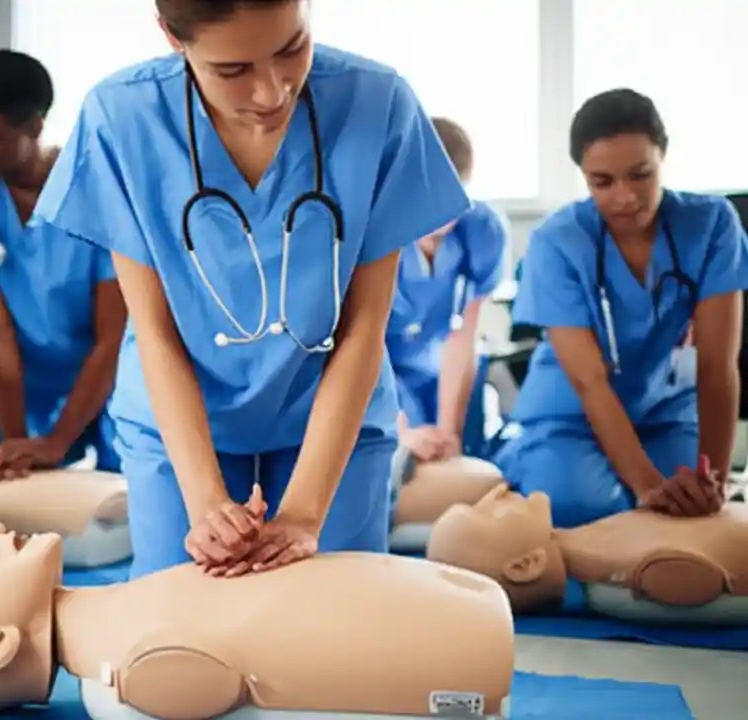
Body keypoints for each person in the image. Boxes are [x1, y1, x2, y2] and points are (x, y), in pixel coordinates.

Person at [34, 0, 470, 579]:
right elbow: (156, 332)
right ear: (172, 37)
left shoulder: (376, 104)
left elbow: (364, 328)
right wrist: (206, 503)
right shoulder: (124, 119)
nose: (272, 92)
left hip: (327, 410)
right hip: (185, 424)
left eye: (292, 48)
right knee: (185, 635)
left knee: (336, 631)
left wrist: (307, 512)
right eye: (233, 71)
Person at [498, 88, 747, 528]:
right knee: (580, 506)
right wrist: (645, 484)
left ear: (663, 157)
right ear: (584, 176)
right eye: (603, 182)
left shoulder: (711, 224)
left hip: (662, 411)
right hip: (569, 413)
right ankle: (519, 457)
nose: (626, 197)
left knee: (689, 504)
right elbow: (589, 381)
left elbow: (717, 365)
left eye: (641, 175)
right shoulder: (557, 242)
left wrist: (715, 478)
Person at [0, 50, 125, 482]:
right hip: (3, 374)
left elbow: (113, 337)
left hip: (99, 375)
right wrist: (16, 446)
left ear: (32, 128)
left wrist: (56, 443)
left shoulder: (96, 196)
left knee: (131, 500)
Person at [388, 117, 509, 462]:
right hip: (383, 377)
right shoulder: (374, 234)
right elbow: (362, 348)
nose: (438, 220)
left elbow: (463, 337)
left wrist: (448, 431)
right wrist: (400, 431)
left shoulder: (483, 231)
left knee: (458, 458)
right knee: (395, 460)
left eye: (451, 204)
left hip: (444, 373)